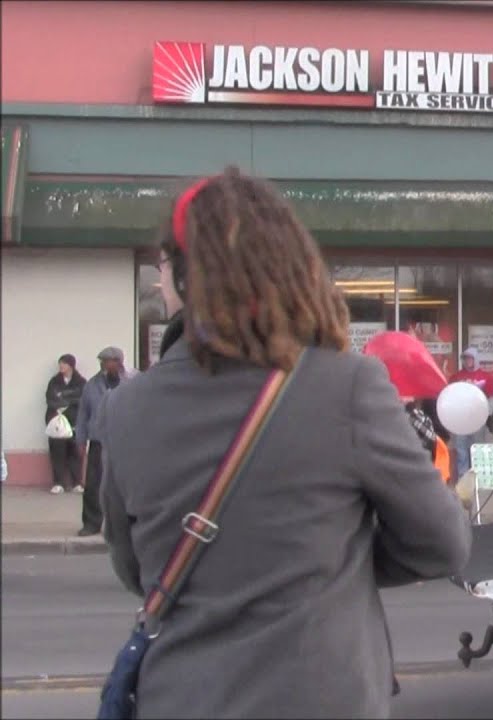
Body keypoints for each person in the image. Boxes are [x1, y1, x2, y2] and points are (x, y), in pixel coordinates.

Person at [98, 167, 471, 719]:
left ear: (182, 279)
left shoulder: (125, 408)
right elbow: (443, 542)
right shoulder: (348, 387)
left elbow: (135, 570)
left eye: (163, 267)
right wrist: (338, 556)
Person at [74, 346, 134, 535]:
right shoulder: (92, 384)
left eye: (108, 361)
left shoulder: (133, 382)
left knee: (126, 485)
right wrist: (81, 439)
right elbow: (83, 413)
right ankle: (91, 523)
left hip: (124, 441)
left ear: (118, 362)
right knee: (93, 485)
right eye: (102, 362)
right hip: (99, 442)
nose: (104, 365)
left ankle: (127, 524)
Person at [448, 346, 493, 479]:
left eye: (470, 358)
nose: (467, 361)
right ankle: (463, 477)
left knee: (478, 448)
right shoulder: (456, 377)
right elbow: (449, 395)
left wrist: (487, 415)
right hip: (461, 419)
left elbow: (491, 397)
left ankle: (478, 477)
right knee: (461, 448)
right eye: (465, 358)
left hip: (478, 418)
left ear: (475, 359)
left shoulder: (485, 377)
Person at [45, 353, 86, 494]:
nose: (61, 366)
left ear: (71, 365)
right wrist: (67, 399)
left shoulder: (80, 382)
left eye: (64, 363)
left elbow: (81, 399)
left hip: (74, 421)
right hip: (57, 422)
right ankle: (58, 483)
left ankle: (76, 482)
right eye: (60, 363)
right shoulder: (54, 381)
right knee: (57, 453)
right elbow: (50, 399)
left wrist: (64, 396)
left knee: (75, 452)